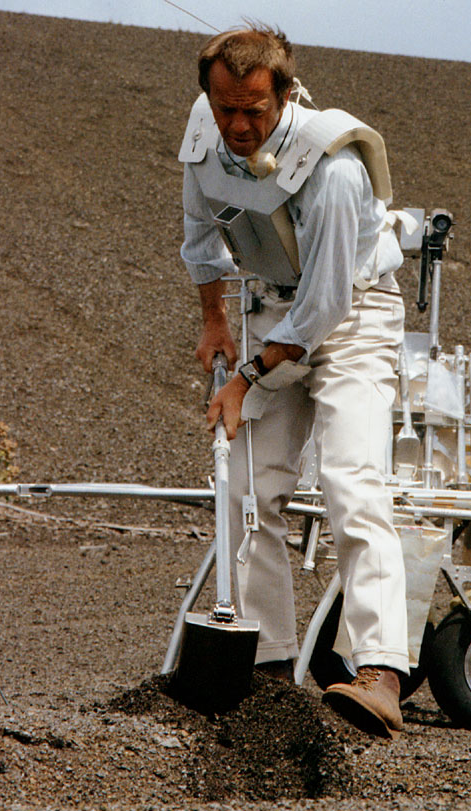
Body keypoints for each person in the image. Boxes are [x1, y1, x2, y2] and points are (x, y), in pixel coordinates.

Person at [178, 23, 410, 739]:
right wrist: (214, 322)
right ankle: (270, 668)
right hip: (273, 308)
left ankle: (380, 672)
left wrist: (245, 376)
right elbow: (200, 237)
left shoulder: (333, 169)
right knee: (249, 488)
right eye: (225, 107)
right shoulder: (204, 137)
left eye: (253, 108)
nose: (237, 124)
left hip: (353, 314)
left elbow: (325, 306)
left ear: (285, 94)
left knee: (350, 480)